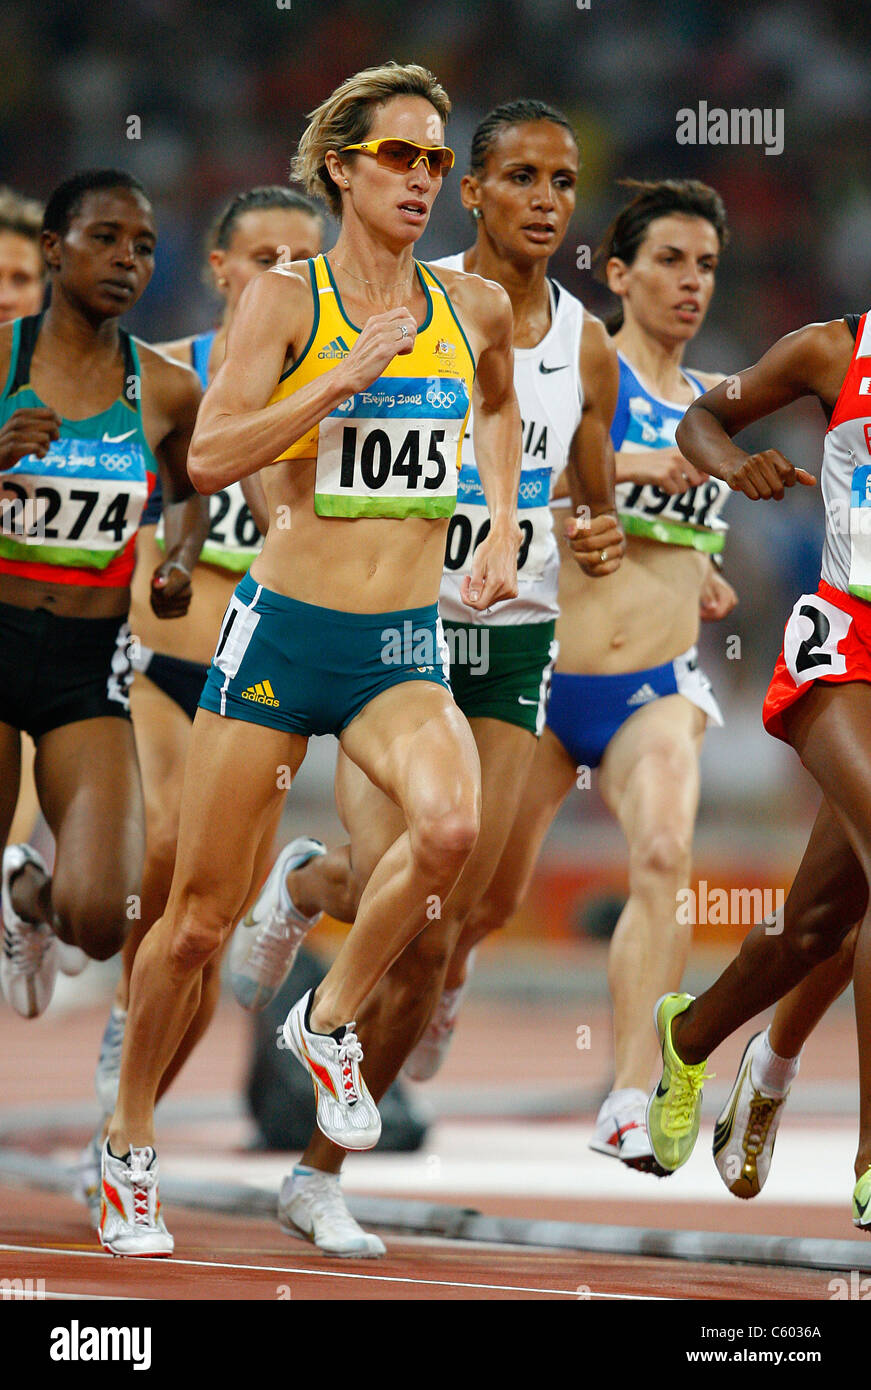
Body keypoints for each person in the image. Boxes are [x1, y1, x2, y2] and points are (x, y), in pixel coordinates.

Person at [102, 61, 523, 1258]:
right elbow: (214, 453)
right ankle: (128, 1145)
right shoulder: (286, 301)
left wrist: (494, 523)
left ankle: (328, 1021)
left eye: (438, 161)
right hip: (285, 635)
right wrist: (337, 378)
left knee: (448, 835)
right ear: (341, 165)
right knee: (193, 923)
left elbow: (494, 403)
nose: (425, 179)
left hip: (400, 644)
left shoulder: (470, 305)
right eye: (401, 155)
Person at [229, 97, 624, 1255]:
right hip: (402, 629)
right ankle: (322, 1161)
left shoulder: (582, 338)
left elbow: (585, 491)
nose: (547, 201)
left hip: (514, 636)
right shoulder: (420, 293)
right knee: (423, 904)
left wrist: (585, 532)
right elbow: (294, 447)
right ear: (473, 191)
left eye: (563, 180)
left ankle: (312, 897)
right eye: (521, 178)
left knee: (467, 911)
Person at [408, 179, 736, 1173]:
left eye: (707, 266)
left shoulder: (719, 403)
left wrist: (702, 565)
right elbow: (498, 485)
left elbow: (678, 534)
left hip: (654, 689)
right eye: (670, 262)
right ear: (621, 274)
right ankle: (451, 970)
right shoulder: (571, 368)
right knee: (481, 901)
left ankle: (629, 1094)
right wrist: (630, 470)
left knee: (665, 856)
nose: (691, 283)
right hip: (542, 680)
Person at [74, 187, 325, 1225]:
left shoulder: (341, 385)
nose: (284, 275)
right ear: (220, 269)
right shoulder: (160, 377)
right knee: (166, 842)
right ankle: (56, 914)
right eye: (264, 255)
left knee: (201, 921)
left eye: (305, 261)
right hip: (149, 656)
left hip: (261, 670)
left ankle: (128, 1115)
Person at [646, 305, 871, 1229]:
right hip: (846, 644)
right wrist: (732, 464)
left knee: (819, 922)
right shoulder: (835, 348)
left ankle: (691, 1034)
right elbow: (701, 416)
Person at [0, 169, 208, 1020]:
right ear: (53, 249)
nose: (127, 259)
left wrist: (180, 561)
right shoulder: (3, 357)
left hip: (87, 669)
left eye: (145, 246)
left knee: (100, 919)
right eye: (104, 238)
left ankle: (28, 903)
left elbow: (189, 490)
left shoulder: (164, 388)